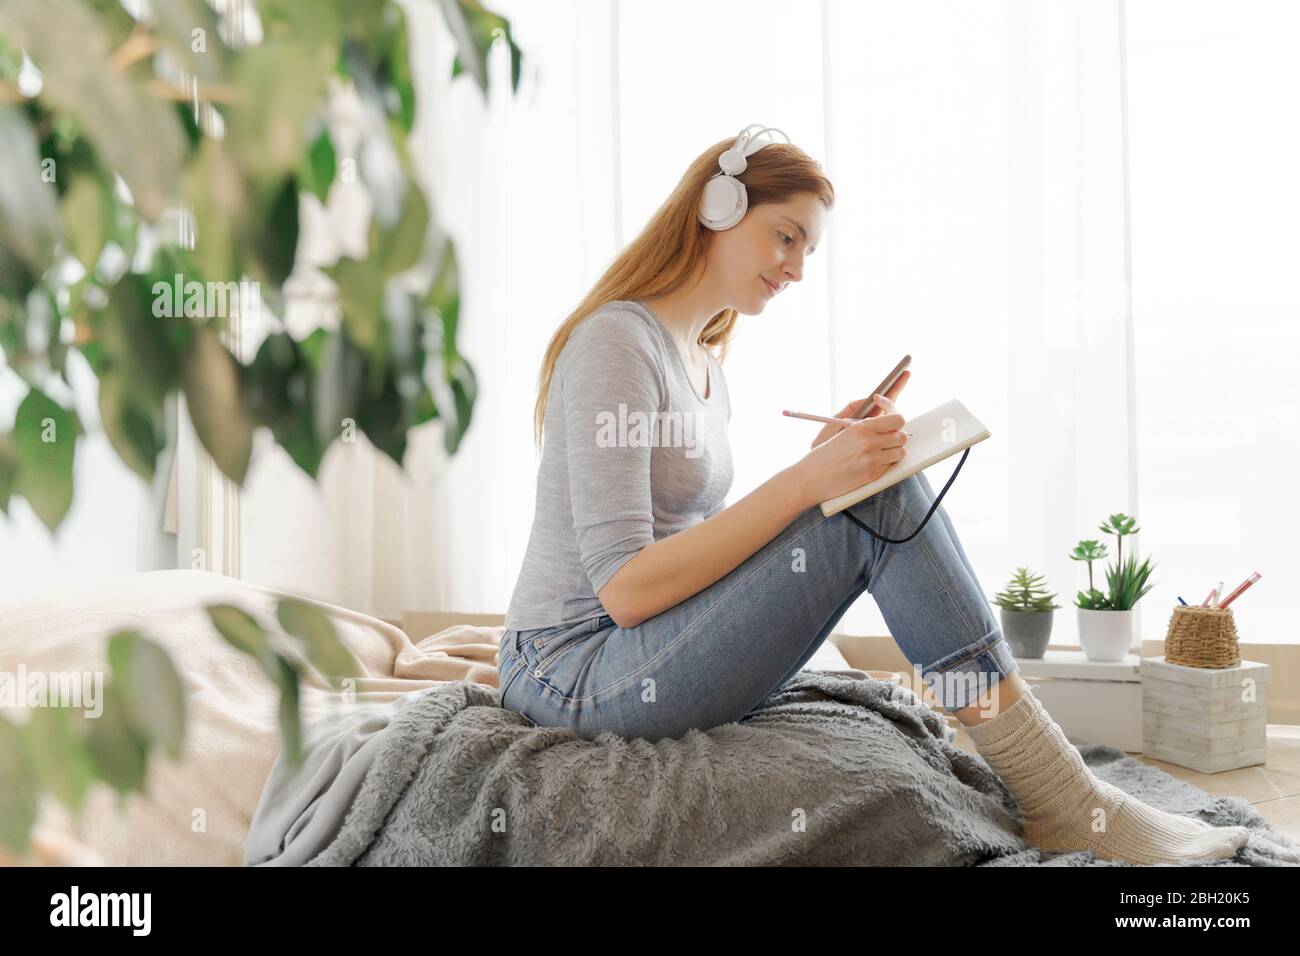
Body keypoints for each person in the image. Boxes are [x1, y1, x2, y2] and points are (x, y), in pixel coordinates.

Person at [497, 126, 1248, 865]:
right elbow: (628, 589)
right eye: (785, 237)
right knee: (877, 503)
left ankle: (1058, 787)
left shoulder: (703, 363)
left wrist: (819, 470)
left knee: (879, 486)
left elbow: (696, 551)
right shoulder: (616, 344)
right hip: (570, 671)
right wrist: (807, 488)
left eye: (808, 251)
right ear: (717, 208)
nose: (794, 268)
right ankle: (1060, 793)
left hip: (635, 651)